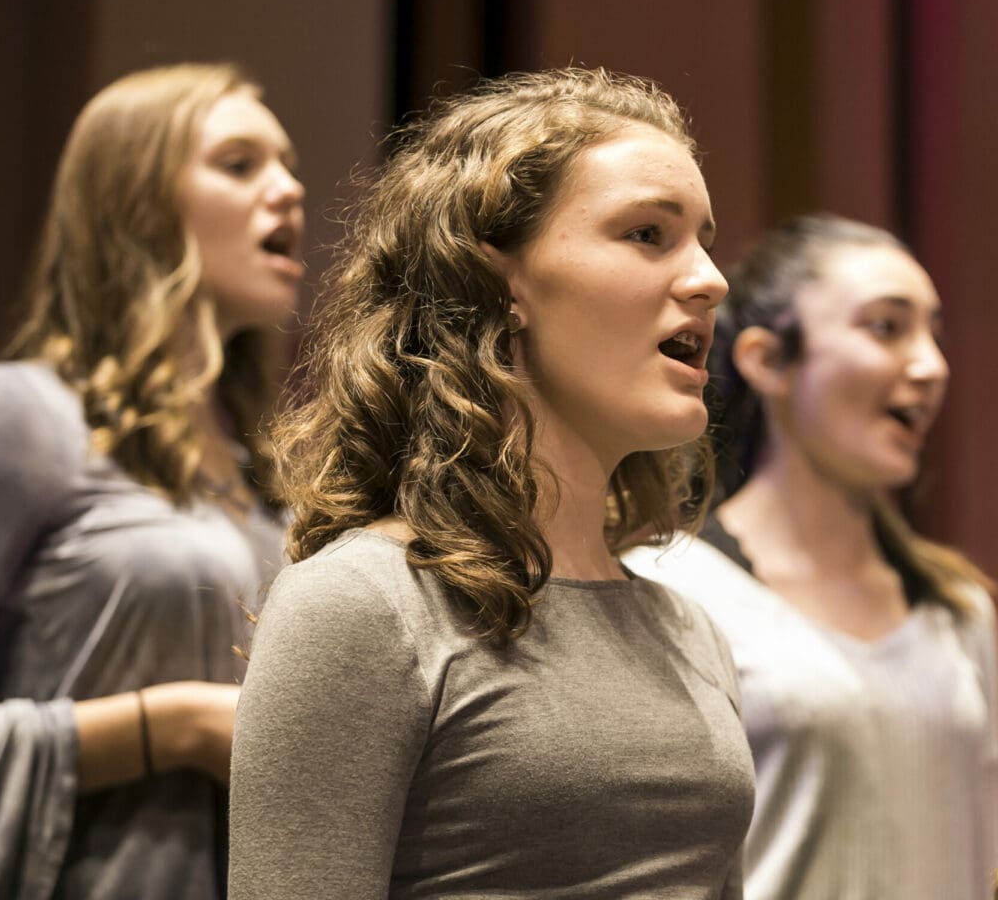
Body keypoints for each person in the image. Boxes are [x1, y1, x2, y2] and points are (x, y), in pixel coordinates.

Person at [229, 67, 755, 899]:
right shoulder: (363, 605)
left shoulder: (688, 629)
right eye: (648, 234)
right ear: (500, 281)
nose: (711, 279)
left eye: (704, 240)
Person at [0, 62, 306, 899]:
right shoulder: (18, 416)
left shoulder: (269, 473)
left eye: (286, 164)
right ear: (139, 206)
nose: (288, 189)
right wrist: (178, 727)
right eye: (240, 164)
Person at [622, 214, 998, 899]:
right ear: (768, 360)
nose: (931, 367)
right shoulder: (668, 589)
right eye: (886, 327)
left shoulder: (958, 609)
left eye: (934, 336)